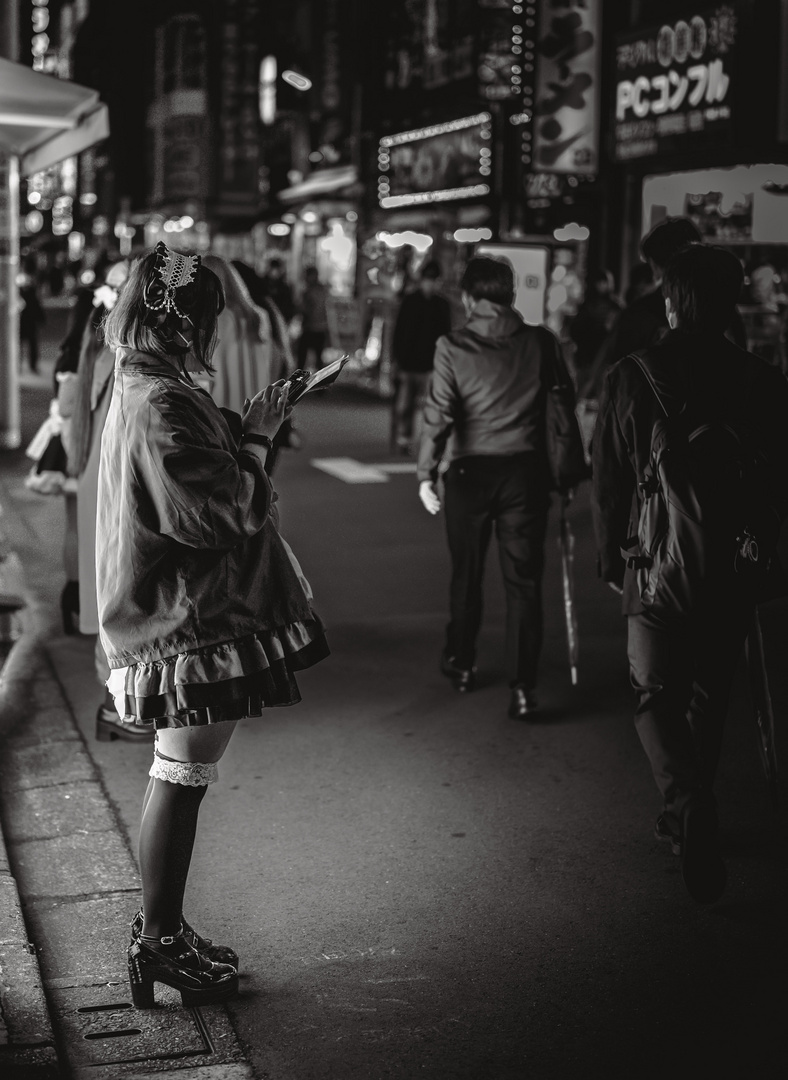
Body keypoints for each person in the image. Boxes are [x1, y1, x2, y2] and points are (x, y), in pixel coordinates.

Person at [96, 242, 329, 1008]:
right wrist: (258, 436)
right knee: (181, 776)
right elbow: (217, 510)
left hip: (185, 614)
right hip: (187, 621)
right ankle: (158, 940)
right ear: (187, 320)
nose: (216, 335)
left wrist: (250, 422)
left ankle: (163, 930)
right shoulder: (159, 400)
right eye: (211, 319)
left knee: (181, 775)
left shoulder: (145, 382)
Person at [591, 245, 788, 904]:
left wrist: (611, 556)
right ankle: (688, 808)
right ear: (733, 302)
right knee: (709, 695)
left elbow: (610, 478)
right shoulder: (762, 379)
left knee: (653, 695)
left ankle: (686, 804)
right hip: (734, 564)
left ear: (672, 300)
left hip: (653, 563)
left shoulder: (634, 375)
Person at [417, 256, 583, 719]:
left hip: (470, 474)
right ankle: (524, 688)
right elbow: (562, 411)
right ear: (511, 297)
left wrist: (426, 473)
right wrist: (567, 473)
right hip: (526, 475)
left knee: (466, 575)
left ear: (469, 298)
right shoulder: (541, 342)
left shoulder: (452, 346)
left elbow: (439, 414)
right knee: (524, 584)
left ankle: (463, 662)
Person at [57, 261, 147, 741]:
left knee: (109, 588)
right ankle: (119, 709)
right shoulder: (131, 353)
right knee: (122, 591)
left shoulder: (102, 341)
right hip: (118, 477)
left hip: (97, 471)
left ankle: (117, 706)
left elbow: (72, 405)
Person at [200, 255, 274, 412]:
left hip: (219, 412)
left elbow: (201, 372)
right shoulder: (259, 316)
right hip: (254, 410)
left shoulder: (208, 318)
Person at [392, 260, 451, 454]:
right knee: (406, 405)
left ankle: (427, 441)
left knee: (430, 407)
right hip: (409, 363)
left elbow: (445, 336)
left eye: (433, 280)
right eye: (428, 280)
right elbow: (399, 332)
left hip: (430, 364)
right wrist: (397, 360)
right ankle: (404, 439)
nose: (431, 284)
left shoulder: (441, 305)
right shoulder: (411, 301)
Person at [568, 269, 622, 373]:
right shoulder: (587, 306)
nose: (601, 285)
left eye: (604, 282)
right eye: (599, 282)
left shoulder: (614, 307)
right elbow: (575, 330)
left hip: (606, 357)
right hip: (587, 356)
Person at [297, 265, 329, 371]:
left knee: (302, 358)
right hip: (321, 328)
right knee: (318, 360)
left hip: (310, 328)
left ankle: (297, 383)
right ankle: (321, 384)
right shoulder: (323, 290)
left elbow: (304, 310)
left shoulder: (309, 292)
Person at [18, 271, 45, 374]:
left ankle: (31, 365)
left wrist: (41, 319)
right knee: (20, 346)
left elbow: (36, 307)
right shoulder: (21, 294)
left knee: (31, 345)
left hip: (28, 323)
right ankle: (19, 366)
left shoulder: (30, 294)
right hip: (24, 324)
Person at [260, 256, 294, 323]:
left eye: (276, 271)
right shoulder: (262, 285)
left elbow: (288, 306)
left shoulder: (284, 288)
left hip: (280, 319)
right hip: (266, 319)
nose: (274, 273)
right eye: (273, 270)